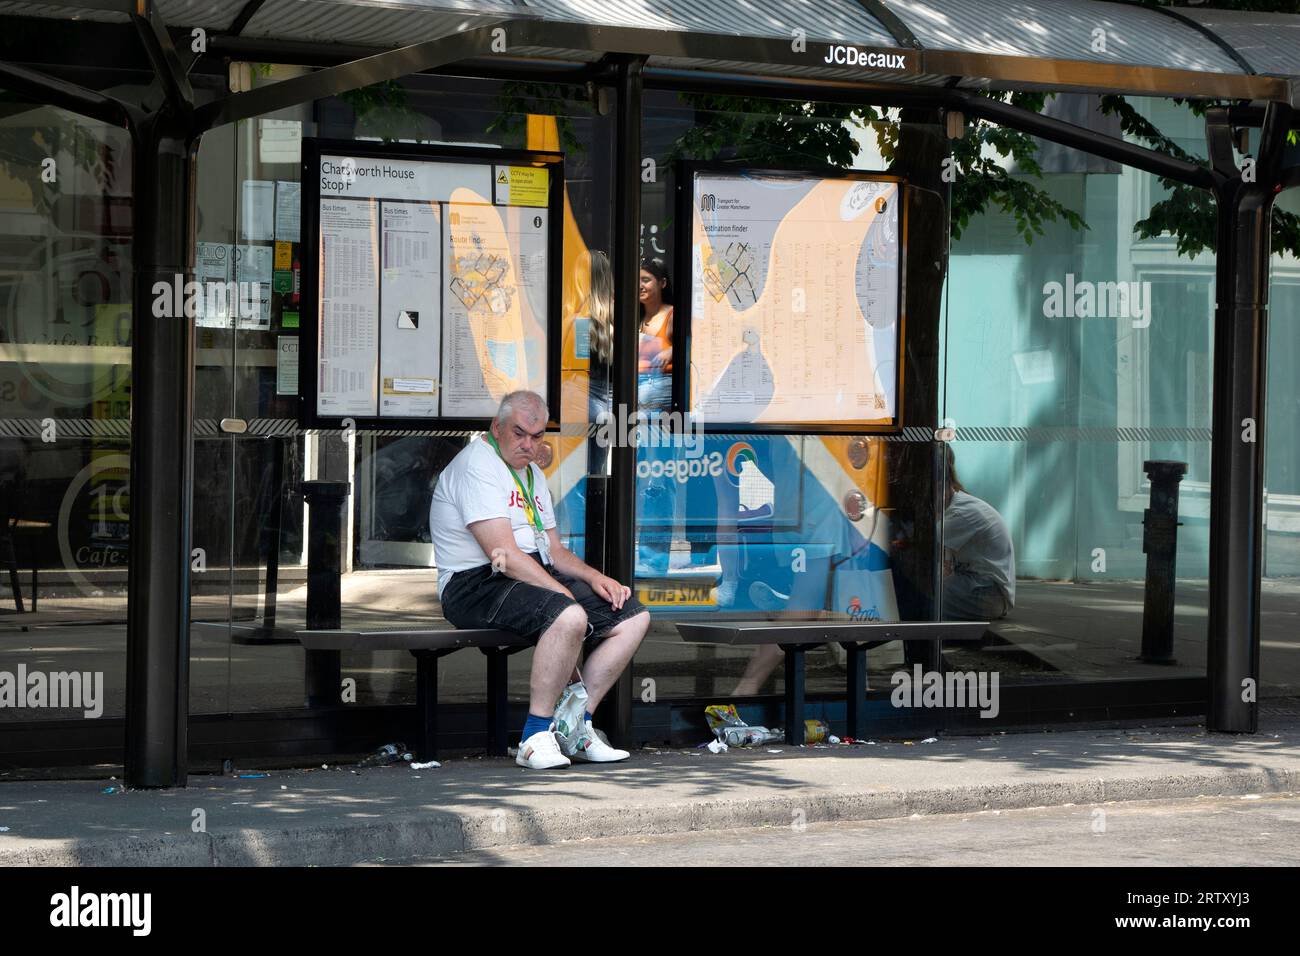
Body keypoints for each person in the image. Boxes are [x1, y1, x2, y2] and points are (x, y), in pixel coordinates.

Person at [430, 390, 651, 769]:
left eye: (536, 437)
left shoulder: (530, 473)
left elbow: (554, 551)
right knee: (568, 615)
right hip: (474, 582)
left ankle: (574, 727)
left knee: (633, 617)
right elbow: (502, 555)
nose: (528, 445)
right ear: (496, 428)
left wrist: (596, 578)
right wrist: (564, 594)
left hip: (528, 570)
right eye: (519, 434)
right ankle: (534, 737)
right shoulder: (477, 466)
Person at [635, 257, 678, 575]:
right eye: (637, 279)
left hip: (659, 409)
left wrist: (671, 351)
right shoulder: (634, 319)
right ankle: (638, 548)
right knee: (638, 477)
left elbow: (692, 343)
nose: (640, 285)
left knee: (658, 478)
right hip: (632, 409)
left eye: (647, 279)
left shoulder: (672, 316)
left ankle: (656, 554)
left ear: (662, 283)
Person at [940, 444, 1015, 621]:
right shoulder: (957, 507)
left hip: (988, 594)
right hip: (979, 588)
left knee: (917, 598)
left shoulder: (960, 514)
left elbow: (922, 553)